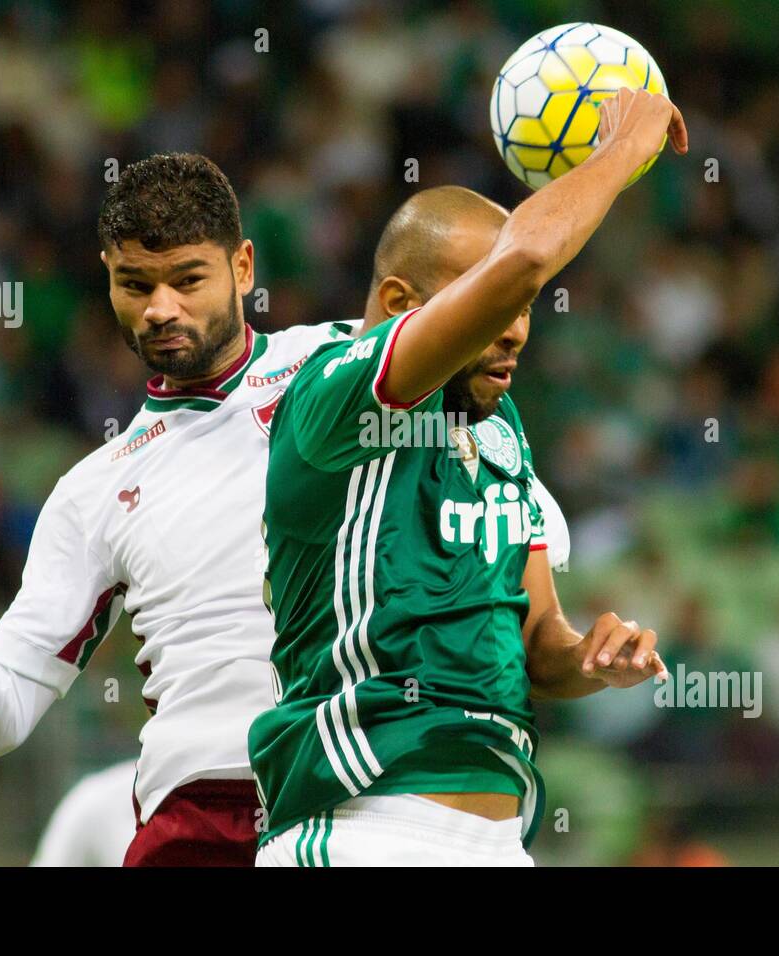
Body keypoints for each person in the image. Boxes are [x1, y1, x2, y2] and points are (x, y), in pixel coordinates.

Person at [0, 153, 569, 866]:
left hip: (361, 792)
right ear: (107, 280)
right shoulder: (96, 491)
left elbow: (515, 485)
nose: (160, 308)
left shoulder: (342, 366)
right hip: (199, 819)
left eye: (187, 280)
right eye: (135, 284)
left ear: (244, 266)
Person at [251, 86, 687, 866]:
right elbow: (524, 259)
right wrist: (622, 149)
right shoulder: (334, 392)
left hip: (496, 836)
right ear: (398, 303)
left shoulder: (500, 428)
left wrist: (591, 658)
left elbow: (533, 641)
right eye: (492, 307)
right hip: (361, 825)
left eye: (525, 310)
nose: (515, 328)